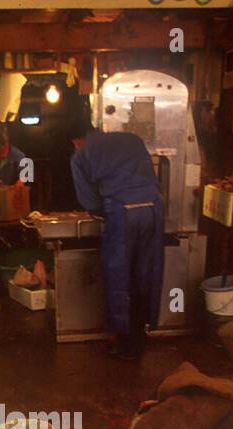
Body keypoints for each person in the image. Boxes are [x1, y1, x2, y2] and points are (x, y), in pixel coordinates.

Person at [68, 117, 164, 360]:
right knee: (146, 273)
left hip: (123, 212)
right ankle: (142, 336)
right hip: (153, 208)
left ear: (77, 141)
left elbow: (89, 201)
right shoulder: (132, 139)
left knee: (119, 278)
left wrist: (106, 209)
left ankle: (125, 346)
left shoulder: (80, 156)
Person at [0, 122, 27, 187]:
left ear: (5, 144)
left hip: (9, 194)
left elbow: (24, 178)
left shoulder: (19, 156)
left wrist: (13, 189)